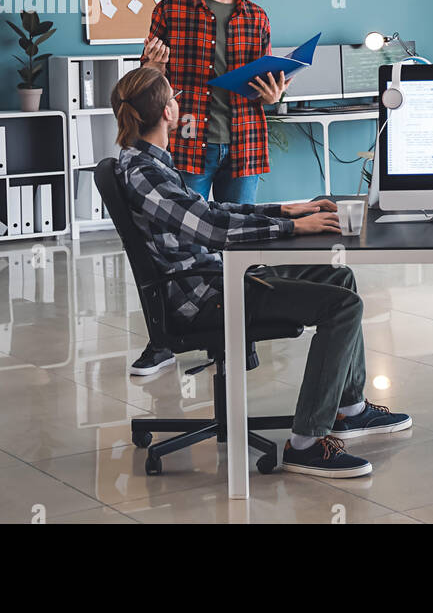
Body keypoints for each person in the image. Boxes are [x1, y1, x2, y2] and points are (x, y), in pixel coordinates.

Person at [111, 66, 411, 478]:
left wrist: (283, 209)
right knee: (342, 306)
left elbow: (210, 211)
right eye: (175, 97)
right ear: (167, 112)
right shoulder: (145, 174)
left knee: (338, 278)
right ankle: (306, 442)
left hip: (212, 280)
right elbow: (213, 229)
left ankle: (349, 409)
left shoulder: (148, 162)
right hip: (205, 297)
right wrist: (292, 228)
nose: (179, 103)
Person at [132, 0, 285, 376]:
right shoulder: (170, 9)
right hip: (189, 141)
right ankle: (163, 340)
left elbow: (264, 84)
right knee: (178, 246)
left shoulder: (257, 17)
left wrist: (274, 96)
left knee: (243, 242)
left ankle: (243, 334)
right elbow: (149, 84)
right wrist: (150, 66)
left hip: (244, 140)